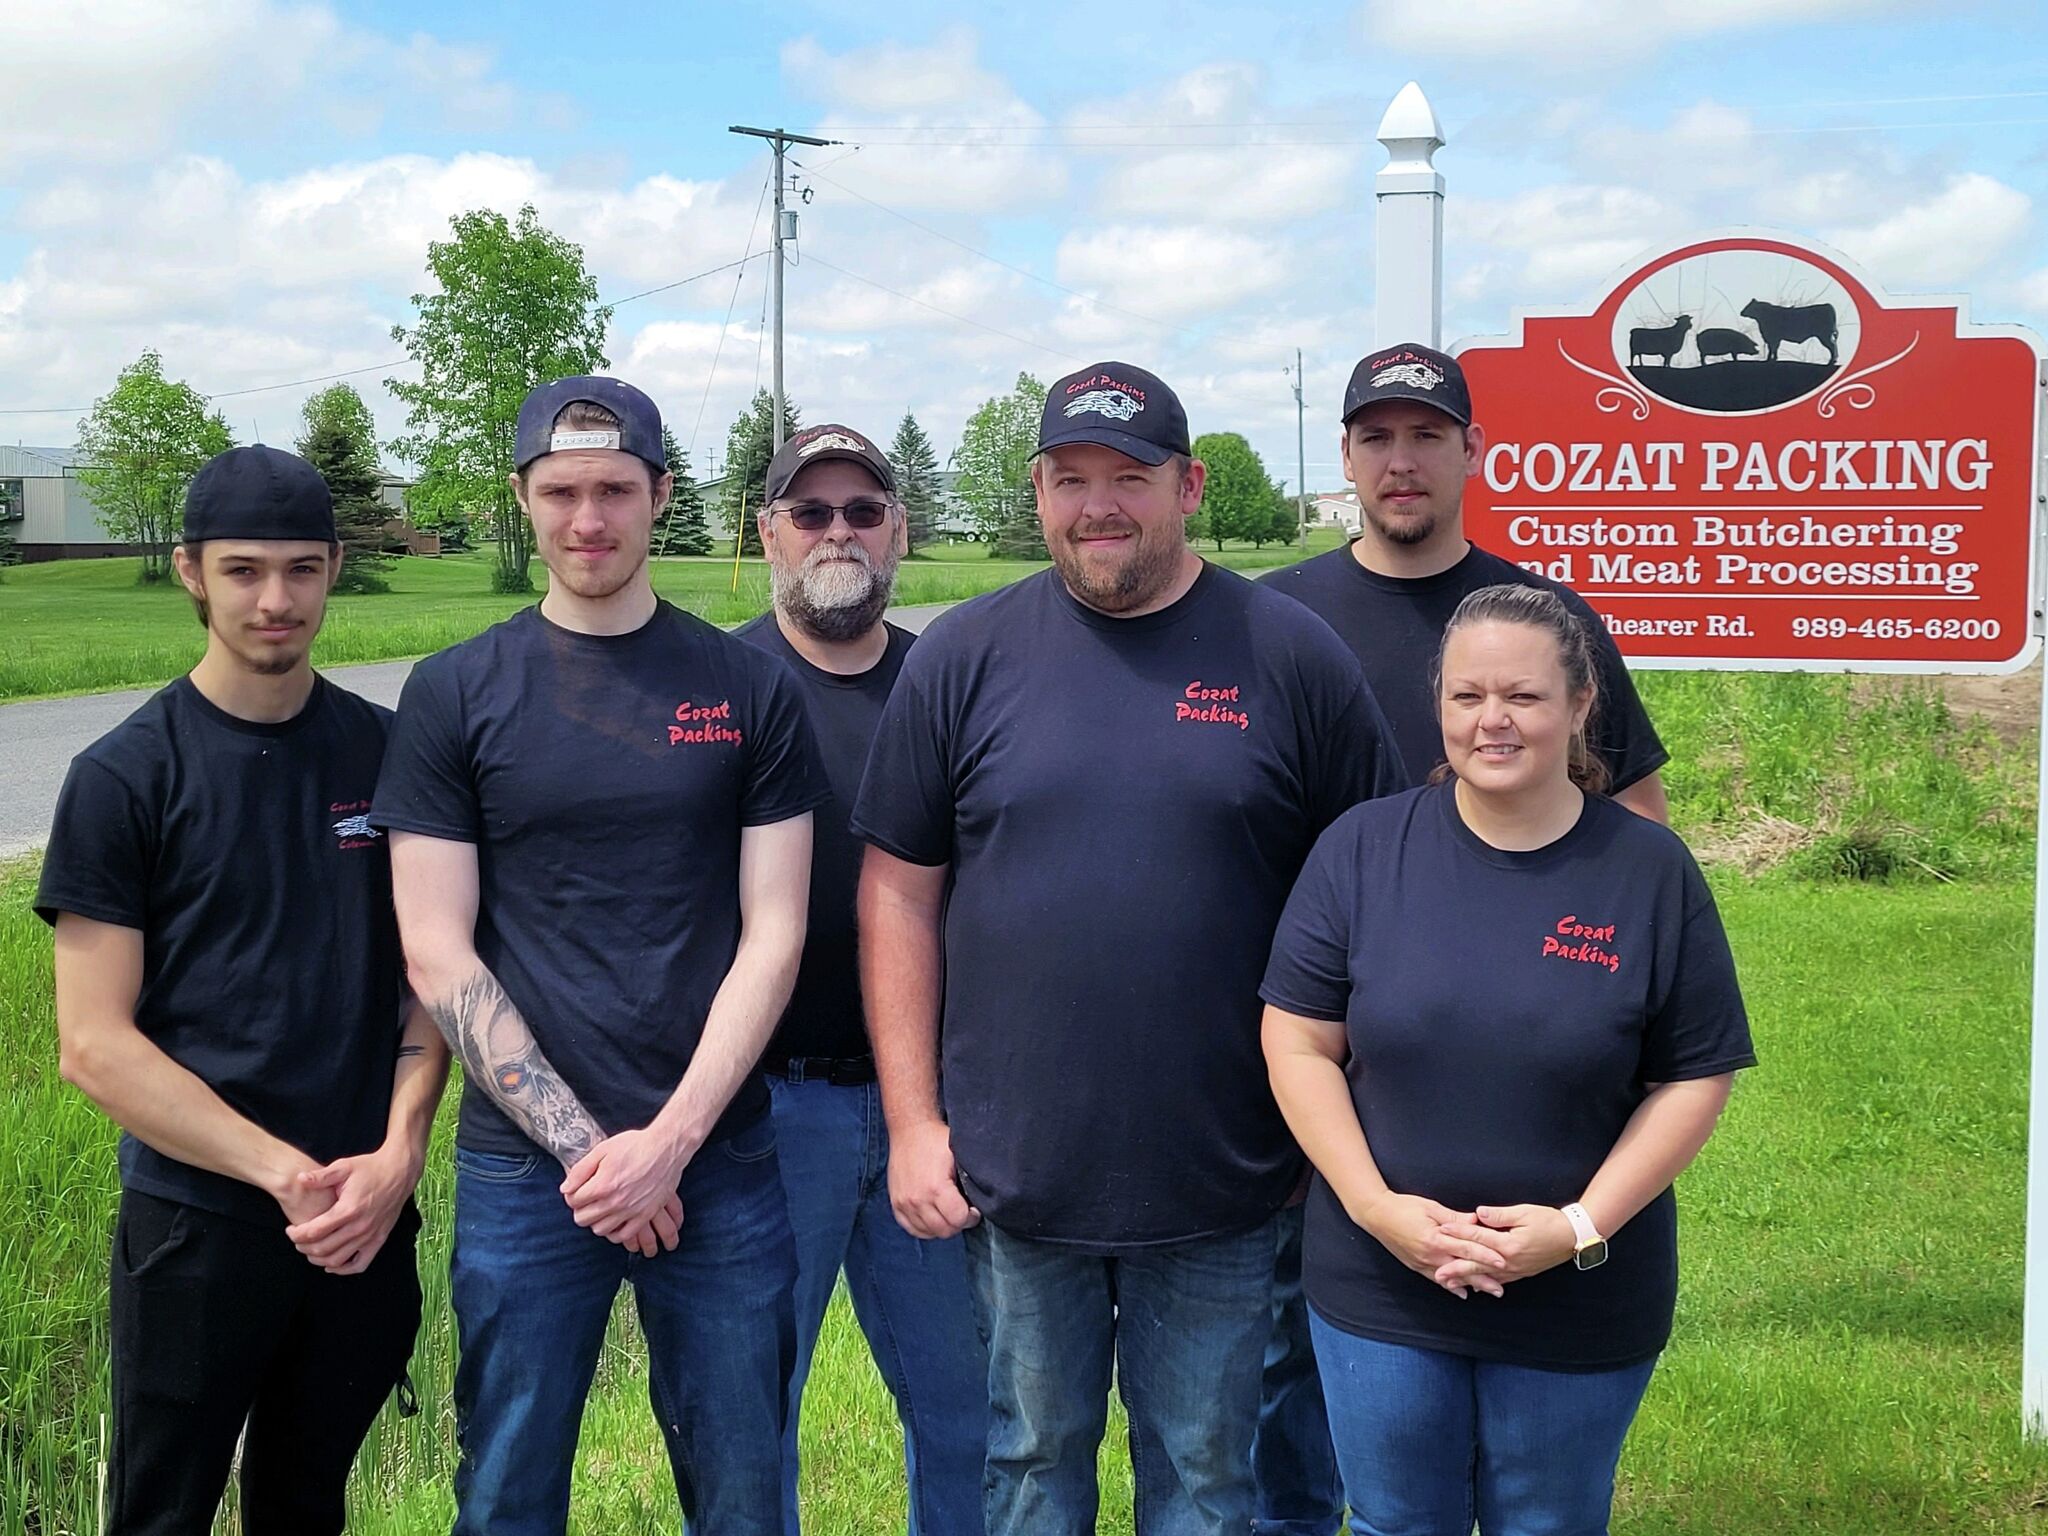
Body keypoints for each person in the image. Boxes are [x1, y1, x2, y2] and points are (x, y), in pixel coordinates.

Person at [853, 362, 1405, 1536]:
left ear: (1189, 485)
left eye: (1129, 477)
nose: (1098, 504)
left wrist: (1334, 1120)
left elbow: (1375, 900)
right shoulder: (964, 656)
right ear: (1038, 492)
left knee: (1207, 1477)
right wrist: (912, 1126)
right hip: (1015, 1169)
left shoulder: (1291, 656)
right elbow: (897, 893)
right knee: (1029, 1464)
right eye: (1069, 479)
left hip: (1225, 1170)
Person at [372, 377, 826, 1536]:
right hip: (528, 1177)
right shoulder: (454, 694)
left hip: (717, 1162)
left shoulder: (745, 690)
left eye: (615, 490)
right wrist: (595, 1159)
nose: (588, 519)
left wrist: (667, 1147)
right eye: (561, 491)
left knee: (742, 1489)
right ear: (523, 498)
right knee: (509, 1487)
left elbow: (773, 934)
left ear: (660, 497)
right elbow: (436, 951)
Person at [1253, 342, 1674, 1535]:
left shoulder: (1543, 618)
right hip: (1317, 1052)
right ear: (1342, 457)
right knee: (1299, 1390)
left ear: (1467, 453)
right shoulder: (1276, 615)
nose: (1400, 461)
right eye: (1375, 438)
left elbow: (1632, 832)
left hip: (1513, 1088)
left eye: (1425, 436)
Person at [1260, 582, 1754, 1536]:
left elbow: (1694, 1074)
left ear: (1580, 706)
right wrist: (1376, 1209)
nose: (1493, 721)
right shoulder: (1360, 851)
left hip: (1582, 1291)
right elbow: (1298, 1039)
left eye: (1523, 697)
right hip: (1383, 1280)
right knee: (1396, 1521)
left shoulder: (1649, 872)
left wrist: (1576, 1227)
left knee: (1551, 1523)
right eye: (1466, 696)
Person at [37, 444, 448, 1535]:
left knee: (308, 1504)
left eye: (303, 570)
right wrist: (282, 1176)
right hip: (199, 1227)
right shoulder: (126, 778)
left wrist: (400, 1155)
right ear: (190, 572)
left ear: (333, 569)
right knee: (160, 1509)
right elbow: (94, 1043)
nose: (277, 600)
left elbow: (431, 981)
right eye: (244, 570)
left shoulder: (386, 755)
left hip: (363, 1220)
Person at [735, 422, 988, 1535]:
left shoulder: (954, 685)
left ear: (898, 529)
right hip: (760, 1112)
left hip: (928, 1113)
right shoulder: (719, 686)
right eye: (810, 512)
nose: (837, 531)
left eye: (862, 510)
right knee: (752, 1414)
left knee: (971, 1412)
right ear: (767, 532)